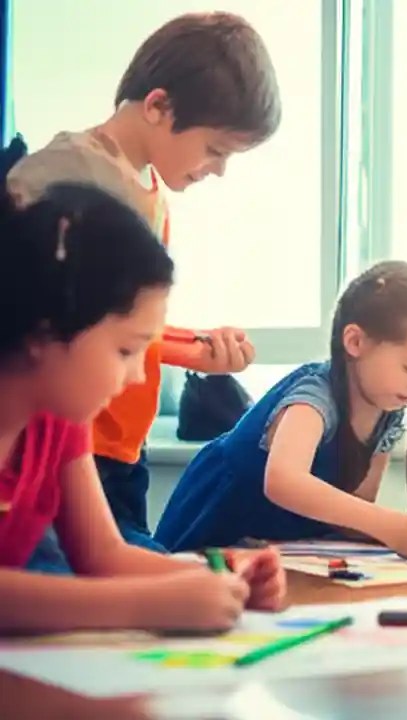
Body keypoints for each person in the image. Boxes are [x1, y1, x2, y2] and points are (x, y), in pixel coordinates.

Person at [7, 12, 280, 550]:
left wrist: (189, 348)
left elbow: (117, 318)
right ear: (158, 106)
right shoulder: (73, 178)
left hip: (119, 448)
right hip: (71, 445)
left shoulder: (145, 187)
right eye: (216, 149)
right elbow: (45, 308)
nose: (218, 170)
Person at [0, 175, 282, 633]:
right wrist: (142, 605)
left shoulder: (60, 423)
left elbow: (103, 554)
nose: (135, 376)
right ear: (43, 333)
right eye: (126, 351)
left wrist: (221, 579)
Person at [156, 262, 407, 558]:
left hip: (282, 550)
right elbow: (284, 481)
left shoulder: (387, 411)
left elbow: (355, 510)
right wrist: (389, 525)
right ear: (355, 341)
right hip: (218, 530)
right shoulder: (314, 396)